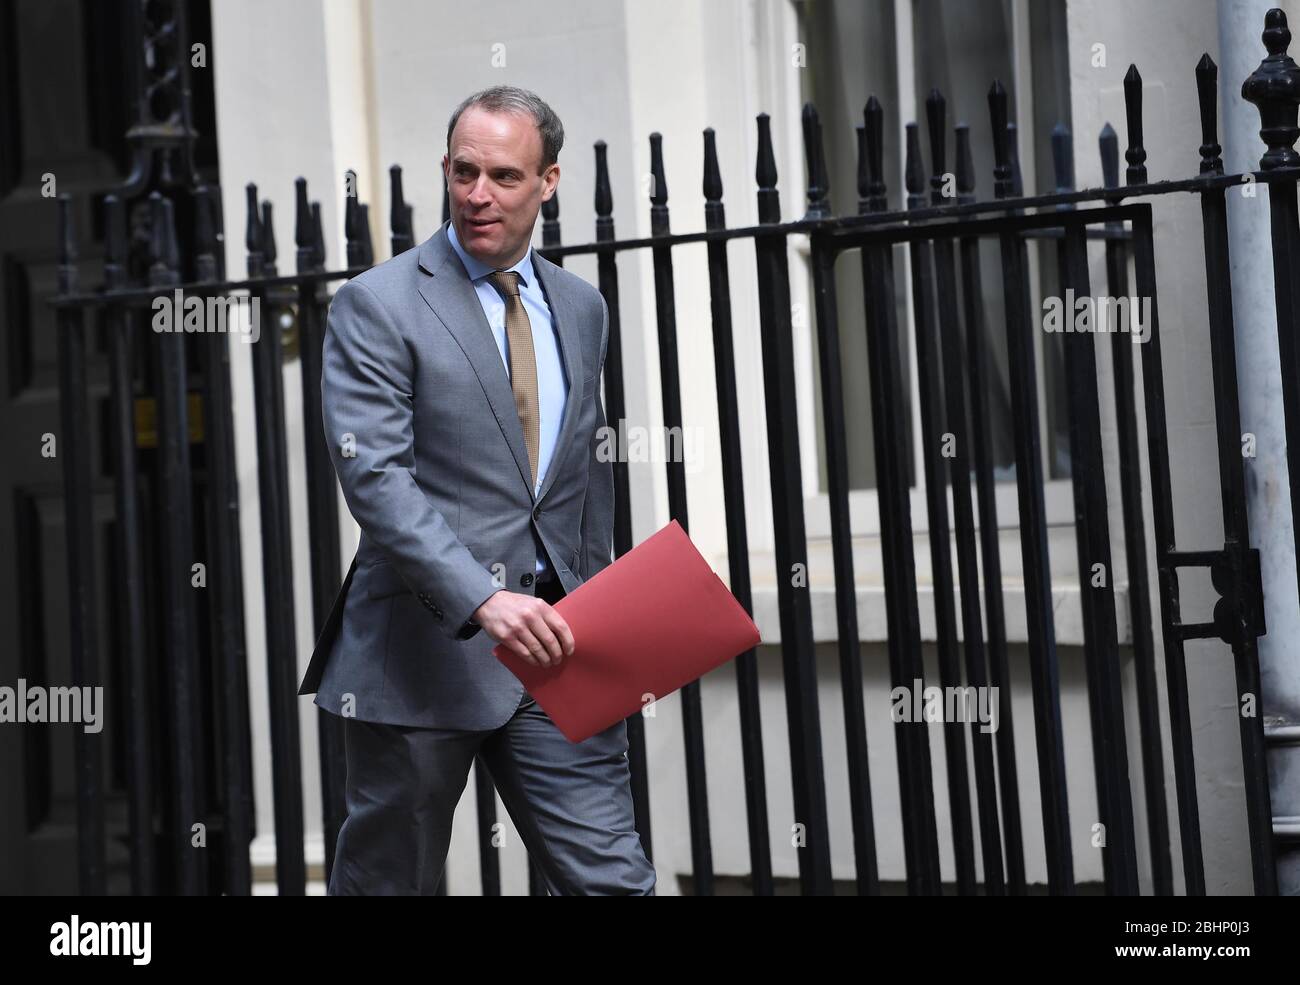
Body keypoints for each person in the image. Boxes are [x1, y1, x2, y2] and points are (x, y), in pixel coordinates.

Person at [298, 85, 655, 896]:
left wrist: (601, 610)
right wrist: (481, 599)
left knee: (614, 879)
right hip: (422, 657)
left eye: (502, 175)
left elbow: (581, 479)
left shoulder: (581, 306)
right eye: (464, 172)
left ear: (549, 181)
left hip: (559, 650)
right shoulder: (377, 303)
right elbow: (376, 476)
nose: (478, 195)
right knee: (393, 883)